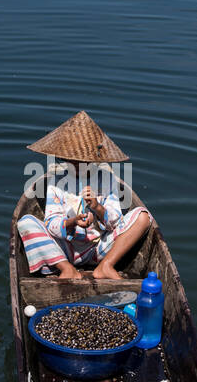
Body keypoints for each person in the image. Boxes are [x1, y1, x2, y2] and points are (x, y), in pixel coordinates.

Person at [17, 110, 153, 280]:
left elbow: (115, 220)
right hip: (65, 249)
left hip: (99, 248)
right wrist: (72, 222)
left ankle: (106, 266)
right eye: (71, 160)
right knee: (26, 222)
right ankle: (67, 269)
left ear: (93, 160)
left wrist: (97, 207)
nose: (77, 165)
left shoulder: (107, 179)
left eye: (82, 161)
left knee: (143, 217)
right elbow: (51, 222)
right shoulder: (56, 182)